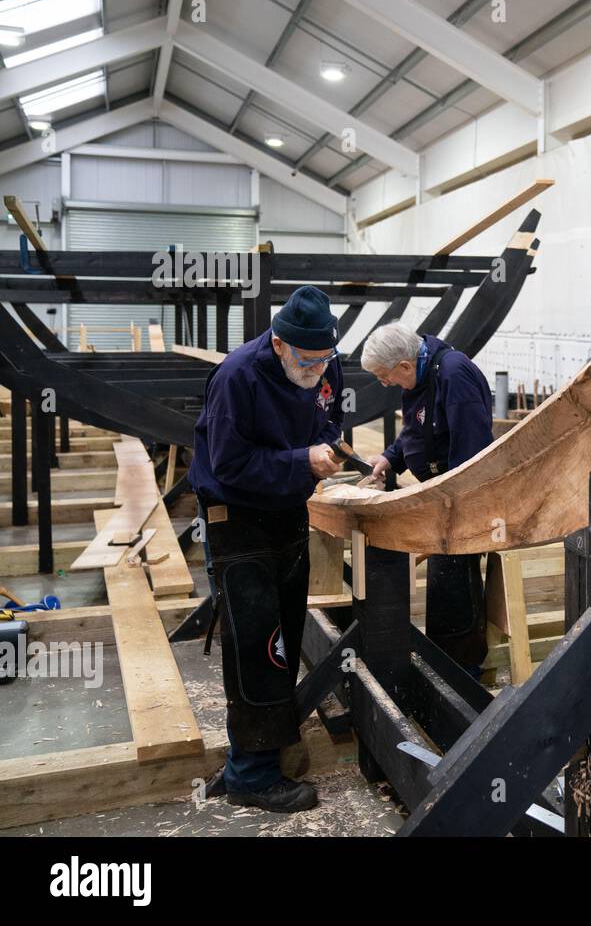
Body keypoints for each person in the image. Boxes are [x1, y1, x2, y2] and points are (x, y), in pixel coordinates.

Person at [189, 285, 343, 813]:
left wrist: (332, 446)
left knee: (284, 641)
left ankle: (248, 759)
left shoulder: (322, 366)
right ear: (278, 344)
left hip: (285, 516)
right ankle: (251, 777)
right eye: (307, 360)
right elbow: (229, 464)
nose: (318, 370)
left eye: (326, 359)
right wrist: (302, 461)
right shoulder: (237, 377)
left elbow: (328, 417)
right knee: (257, 643)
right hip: (237, 519)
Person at [359, 322, 494, 672]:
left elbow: (472, 451)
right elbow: (415, 431)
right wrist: (390, 457)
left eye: (385, 376)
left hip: (458, 504)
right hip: (438, 502)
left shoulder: (453, 374)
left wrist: (446, 501)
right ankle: (443, 664)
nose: (384, 384)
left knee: (456, 588)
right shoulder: (420, 374)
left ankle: (463, 675)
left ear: (404, 365)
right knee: (443, 588)